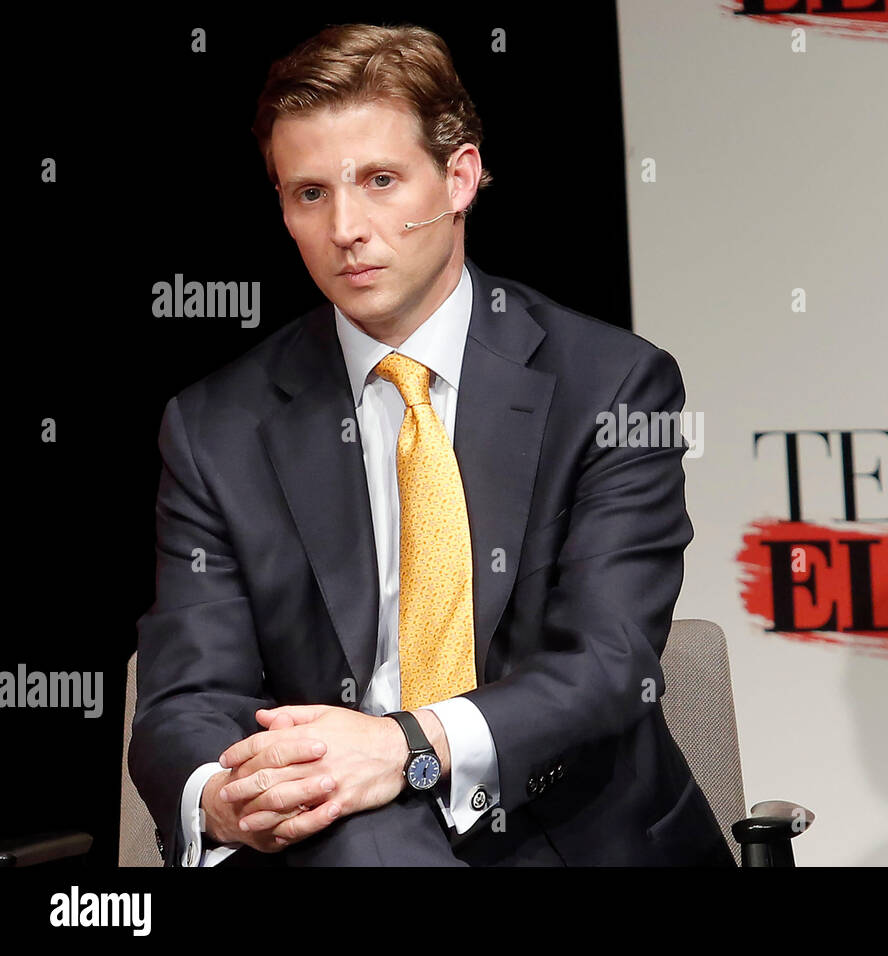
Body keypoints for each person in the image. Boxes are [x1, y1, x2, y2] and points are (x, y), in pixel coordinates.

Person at [128, 22, 734, 867]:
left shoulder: (614, 385)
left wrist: (401, 745)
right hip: (336, 836)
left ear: (460, 177)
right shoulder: (214, 425)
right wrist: (226, 801)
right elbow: (187, 693)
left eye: (380, 181)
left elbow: (607, 659)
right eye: (309, 194)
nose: (346, 227)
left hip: (571, 830)